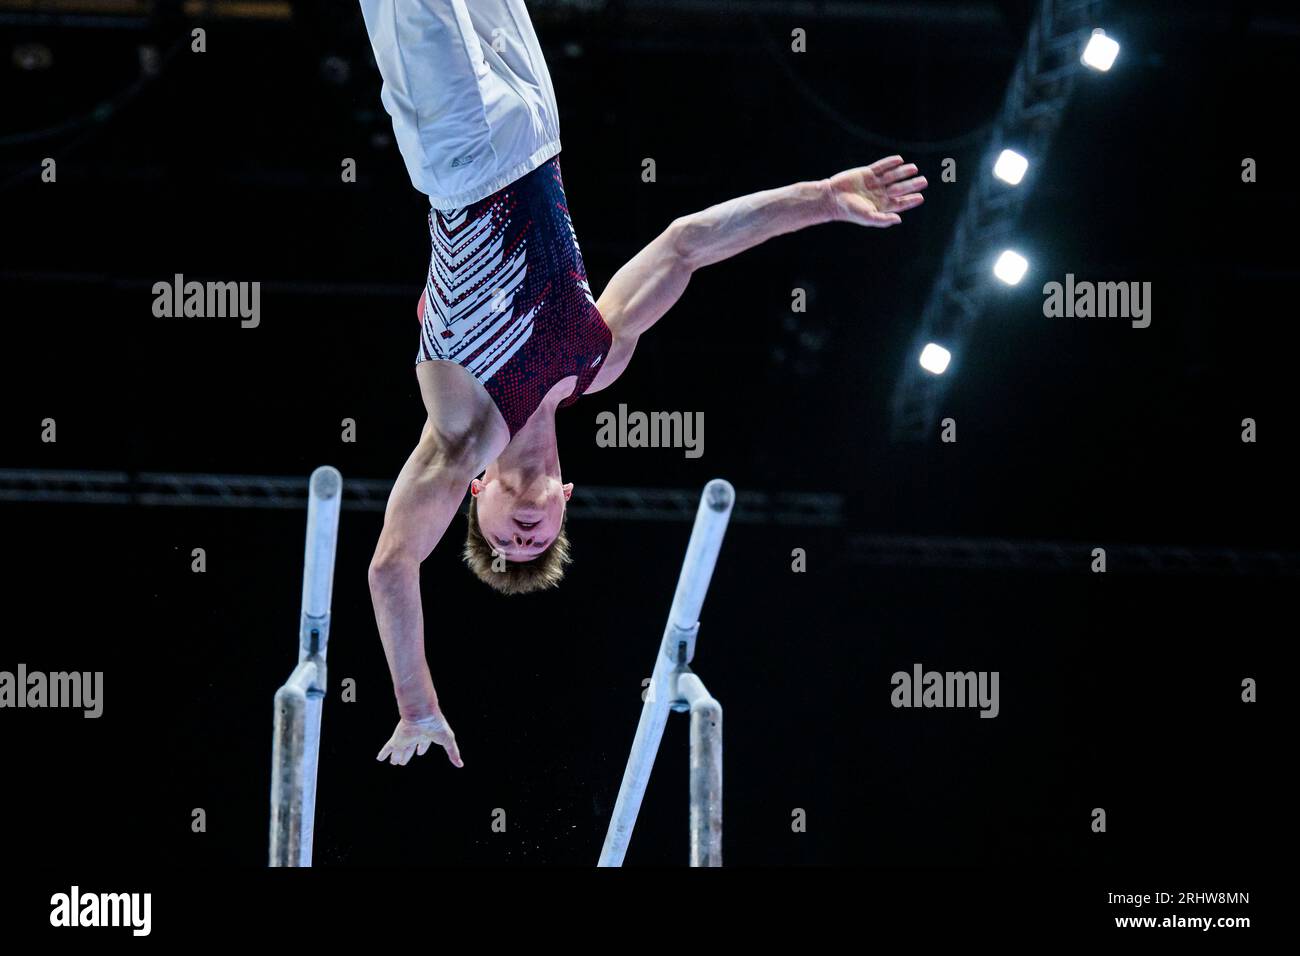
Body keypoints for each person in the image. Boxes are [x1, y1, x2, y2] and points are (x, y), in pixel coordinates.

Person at [360, 0, 928, 766]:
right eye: (538, 544)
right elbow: (685, 247)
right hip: (539, 131)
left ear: (476, 495)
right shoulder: (599, 361)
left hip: (461, 157)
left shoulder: (460, 439)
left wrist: (417, 704)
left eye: (502, 538)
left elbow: (393, 563)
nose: (522, 538)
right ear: (566, 503)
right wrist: (820, 200)